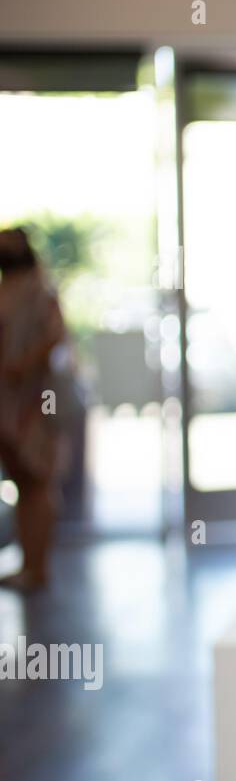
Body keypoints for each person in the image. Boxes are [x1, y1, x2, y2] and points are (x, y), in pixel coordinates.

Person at [0, 228, 67, 591]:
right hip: (9, 403)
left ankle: (37, 567)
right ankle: (29, 563)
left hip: (33, 401)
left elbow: (56, 337)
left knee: (37, 482)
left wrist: (23, 365)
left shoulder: (39, 290)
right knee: (23, 484)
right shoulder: (9, 290)